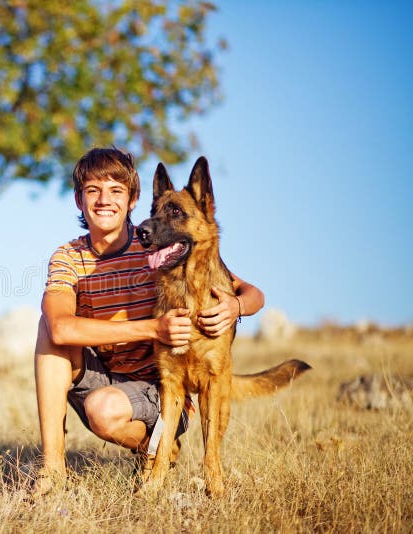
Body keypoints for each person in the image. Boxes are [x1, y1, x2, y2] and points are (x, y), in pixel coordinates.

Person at [32, 147, 264, 496]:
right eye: (92, 191)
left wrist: (236, 307)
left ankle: (158, 446)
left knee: (103, 410)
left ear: (132, 199)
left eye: (115, 191)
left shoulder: (159, 249)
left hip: (156, 387)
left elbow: (251, 293)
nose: (103, 200)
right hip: (105, 372)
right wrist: (153, 328)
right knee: (49, 329)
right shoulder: (69, 257)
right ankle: (52, 470)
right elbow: (63, 328)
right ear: (79, 200)